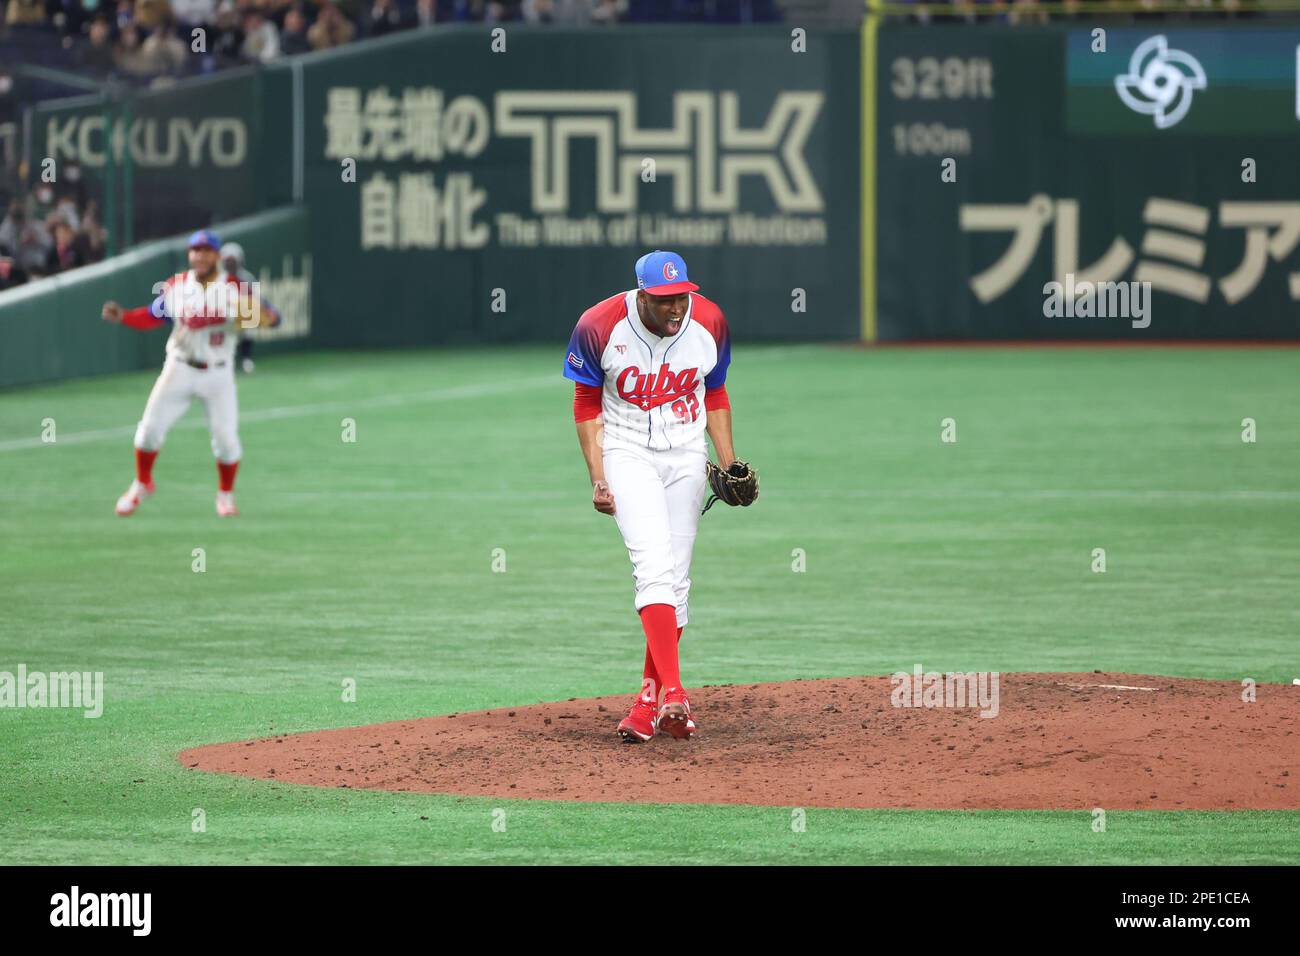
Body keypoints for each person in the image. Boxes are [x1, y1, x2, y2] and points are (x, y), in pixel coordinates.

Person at [562, 250, 738, 742]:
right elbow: (585, 401)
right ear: (641, 295)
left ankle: (646, 702)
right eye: (663, 301)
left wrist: (728, 462)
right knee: (653, 568)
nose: (674, 309)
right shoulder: (599, 326)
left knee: (677, 580)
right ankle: (675, 692)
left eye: (680, 297)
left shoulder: (709, 322)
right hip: (626, 452)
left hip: (686, 453)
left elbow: (716, 392)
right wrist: (598, 475)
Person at [100, 229, 280, 518]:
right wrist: (124, 316)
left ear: (217, 256)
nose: (200, 255)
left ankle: (225, 495)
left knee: (225, 440)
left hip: (218, 373)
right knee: (148, 432)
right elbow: (152, 315)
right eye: (195, 250)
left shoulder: (234, 288)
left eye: (206, 250)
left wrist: (253, 315)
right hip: (180, 367)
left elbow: (273, 318)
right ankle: (143, 483)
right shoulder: (176, 287)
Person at [219, 241, 278, 373]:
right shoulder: (218, 278)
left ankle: (246, 359)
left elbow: (257, 299)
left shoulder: (246, 278)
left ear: (239, 260)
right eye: (227, 260)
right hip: (221, 316)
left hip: (240, 314)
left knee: (250, 323)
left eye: (232, 260)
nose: (230, 263)